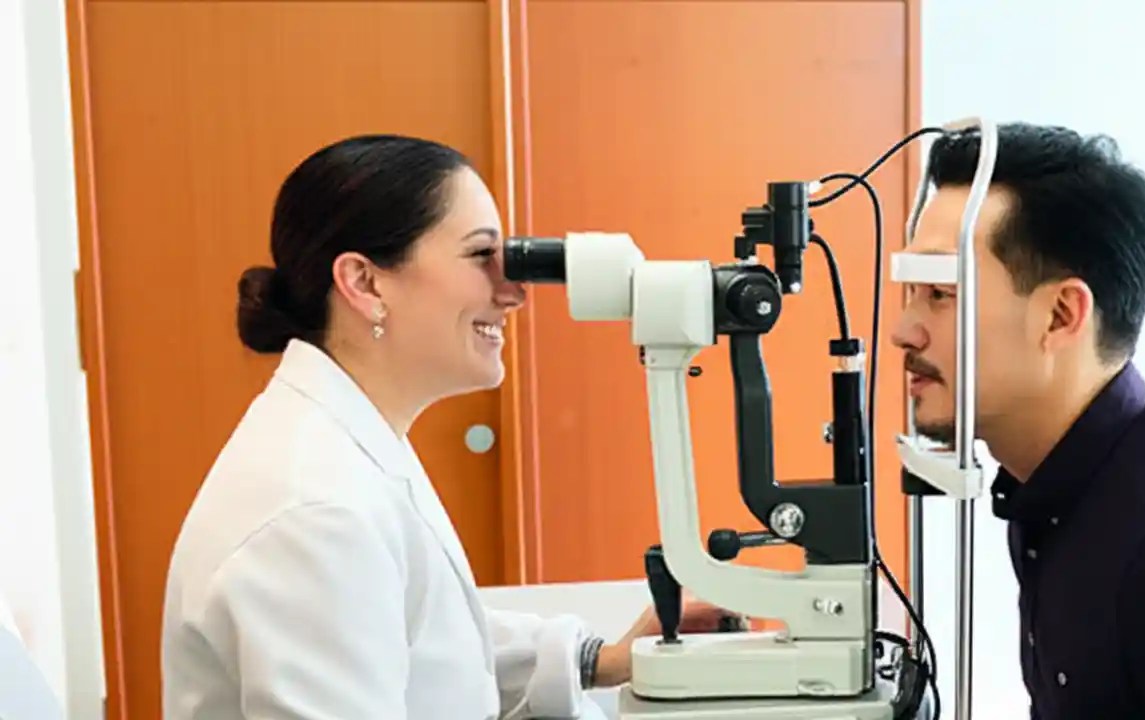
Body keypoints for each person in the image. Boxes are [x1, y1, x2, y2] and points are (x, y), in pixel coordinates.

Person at [161, 134, 730, 720]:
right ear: (365, 282)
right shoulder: (315, 511)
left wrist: (598, 661)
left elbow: (417, 629)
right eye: (480, 255)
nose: (513, 293)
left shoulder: (345, 444)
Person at [890, 123, 1145, 718]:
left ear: (1061, 316)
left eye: (940, 293)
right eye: (910, 291)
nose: (904, 330)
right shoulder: (1050, 491)